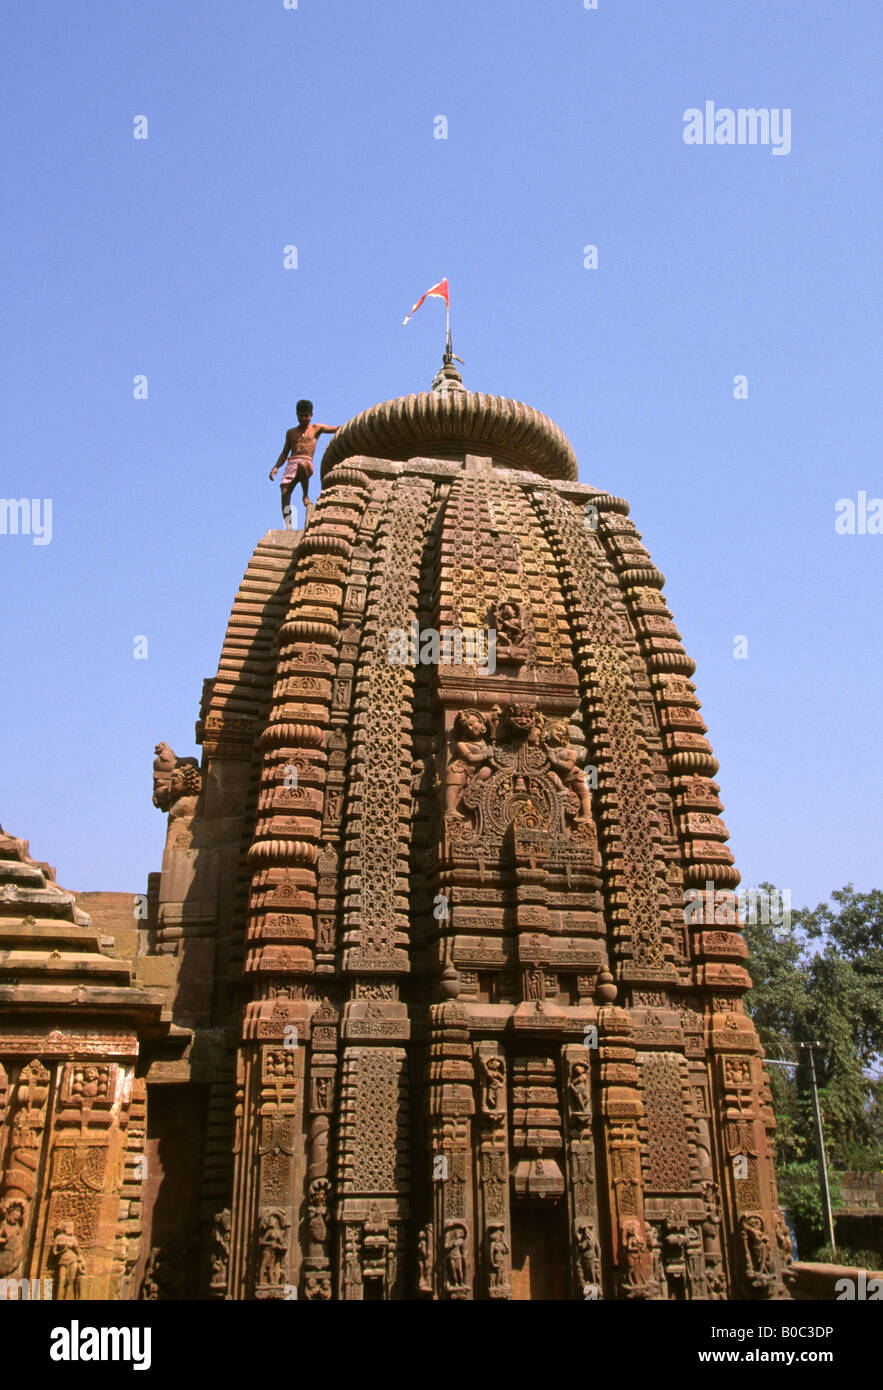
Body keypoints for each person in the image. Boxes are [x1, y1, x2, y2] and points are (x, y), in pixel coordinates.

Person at [269, 400, 339, 527]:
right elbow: (284, 453)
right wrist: (276, 467)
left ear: (311, 415)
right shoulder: (291, 433)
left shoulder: (316, 428)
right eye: (301, 416)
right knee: (284, 492)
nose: (304, 418)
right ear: (297, 415)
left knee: (302, 464)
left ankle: (305, 496)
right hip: (291, 463)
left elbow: (336, 429)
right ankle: (288, 525)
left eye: (306, 416)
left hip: (306, 462)